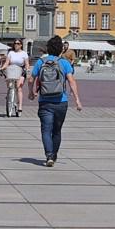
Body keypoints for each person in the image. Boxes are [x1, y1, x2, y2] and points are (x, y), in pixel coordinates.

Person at [29, 35, 82, 167]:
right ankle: (54, 155)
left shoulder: (41, 62)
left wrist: (31, 92)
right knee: (57, 130)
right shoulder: (64, 63)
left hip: (45, 101)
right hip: (61, 101)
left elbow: (31, 79)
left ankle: (48, 155)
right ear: (60, 49)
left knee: (46, 130)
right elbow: (71, 81)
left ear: (48, 48)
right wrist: (77, 100)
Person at [4, 40, 29, 117]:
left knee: (19, 88)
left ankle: (20, 106)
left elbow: (27, 64)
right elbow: (7, 63)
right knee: (10, 85)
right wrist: (2, 67)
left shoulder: (24, 53)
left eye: (18, 43)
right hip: (12, 70)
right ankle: (10, 96)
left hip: (21, 71)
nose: (16, 45)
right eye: (15, 43)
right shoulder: (11, 53)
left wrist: (27, 69)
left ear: (21, 45)